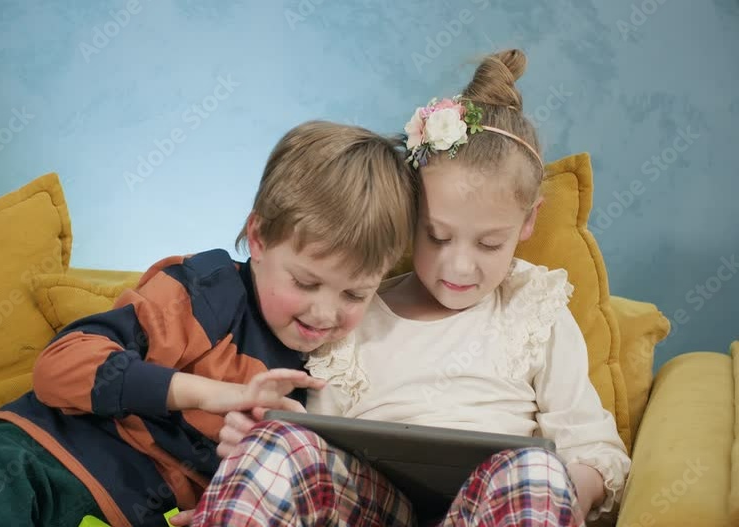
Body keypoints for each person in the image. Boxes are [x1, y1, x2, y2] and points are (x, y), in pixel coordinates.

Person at [0, 120, 416, 527]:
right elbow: (60, 367)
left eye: (355, 293)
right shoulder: (206, 292)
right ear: (258, 239)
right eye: (304, 282)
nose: (324, 313)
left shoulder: (329, 370)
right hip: (44, 460)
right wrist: (214, 394)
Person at [186, 49, 631, 527]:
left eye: (489, 244)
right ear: (409, 215)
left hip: (497, 507)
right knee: (278, 445)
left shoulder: (532, 307)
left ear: (528, 222)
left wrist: (565, 495)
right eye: (436, 236)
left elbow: (592, 448)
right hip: (374, 509)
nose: (459, 266)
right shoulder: (353, 315)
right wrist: (263, 434)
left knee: (536, 470)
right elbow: (318, 449)